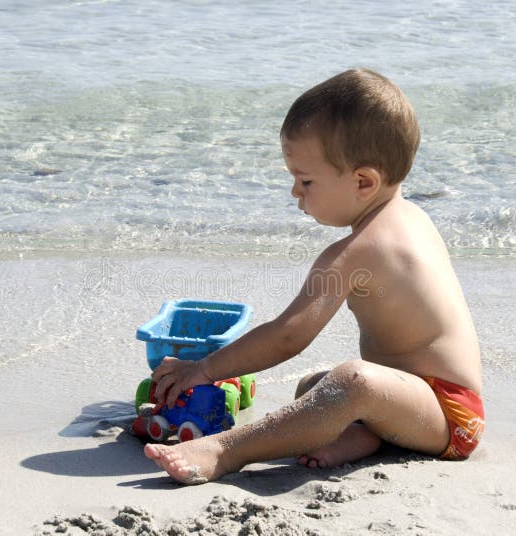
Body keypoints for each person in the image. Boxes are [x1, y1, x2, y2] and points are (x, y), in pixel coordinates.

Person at [143, 68, 484, 484]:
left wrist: (204, 370)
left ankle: (227, 450)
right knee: (314, 389)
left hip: (450, 412)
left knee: (351, 382)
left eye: (305, 180)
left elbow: (289, 334)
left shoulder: (353, 254)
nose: (295, 193)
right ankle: (365, 435)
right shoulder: (413, 217)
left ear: (363, 181)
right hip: (408, 400)